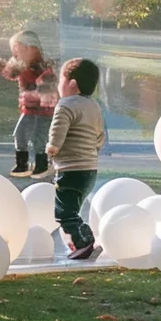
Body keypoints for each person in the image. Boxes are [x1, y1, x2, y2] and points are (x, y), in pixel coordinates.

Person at [46, 57, 106, 260]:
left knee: (64, 213)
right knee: (73, 210)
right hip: (89, 170)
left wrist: (52, 148)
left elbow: (58, 130)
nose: (58, 85)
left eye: (60, 80)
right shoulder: (93, 106)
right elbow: (100, 136)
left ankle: (85, 242)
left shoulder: (66, 104)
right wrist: (91, 153)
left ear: (71, 84)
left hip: (70, 170)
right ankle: (83, 243)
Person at [0, 30, 57, 179]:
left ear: (30, 48)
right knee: (20, 133)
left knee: (38, 137)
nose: (14, 54)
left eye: (16, 49)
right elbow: (10, 72)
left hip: (44, 111)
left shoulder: (42, 67)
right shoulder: (20, 64)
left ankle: (42, 164)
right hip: (29, 110)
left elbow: (48, 93)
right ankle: (22, 164)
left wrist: (33, 94)